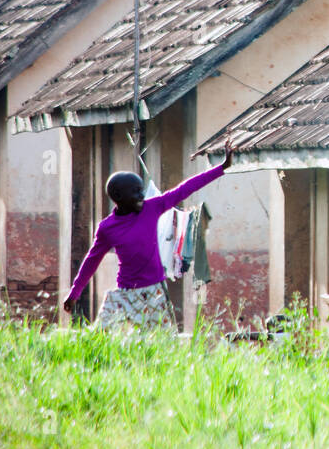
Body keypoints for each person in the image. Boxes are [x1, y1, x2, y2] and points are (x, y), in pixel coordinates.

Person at [63, 138, 234, 329]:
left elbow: (184, 190)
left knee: (163, 343)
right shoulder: (107, 228)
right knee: (99, 339)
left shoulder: (151, 208)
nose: (142, 196)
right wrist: (74, 293)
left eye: (141, 190)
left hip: (155, 292)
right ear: (118, 197)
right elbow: (91, 261)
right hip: (125, 294)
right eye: (136, 192)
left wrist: (222, 167)